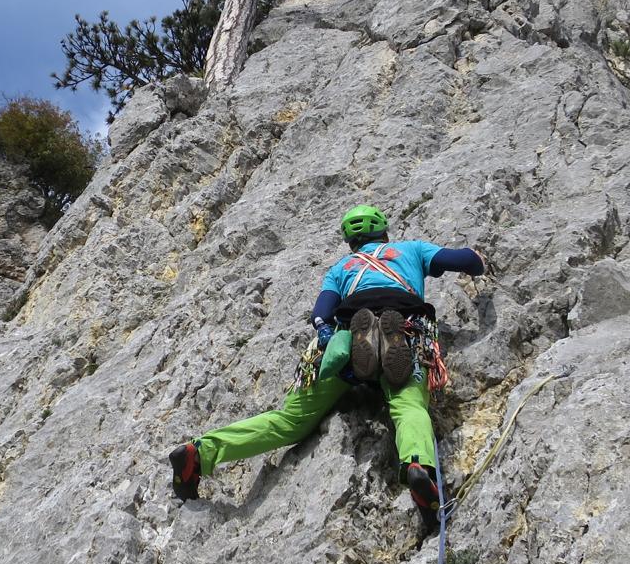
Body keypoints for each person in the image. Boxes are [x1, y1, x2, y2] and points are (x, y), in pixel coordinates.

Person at [166, 204, 486, 532]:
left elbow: (321, 310)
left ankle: (201, 452)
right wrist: (478, 260)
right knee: (408, 407)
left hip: (344, 341)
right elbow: (463, 260)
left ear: (351, 241)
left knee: (287, 422)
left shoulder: (342, 267)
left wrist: (325, 331)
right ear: (384, 230)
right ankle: (419, 466)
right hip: (406, 332)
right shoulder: (411, 249)